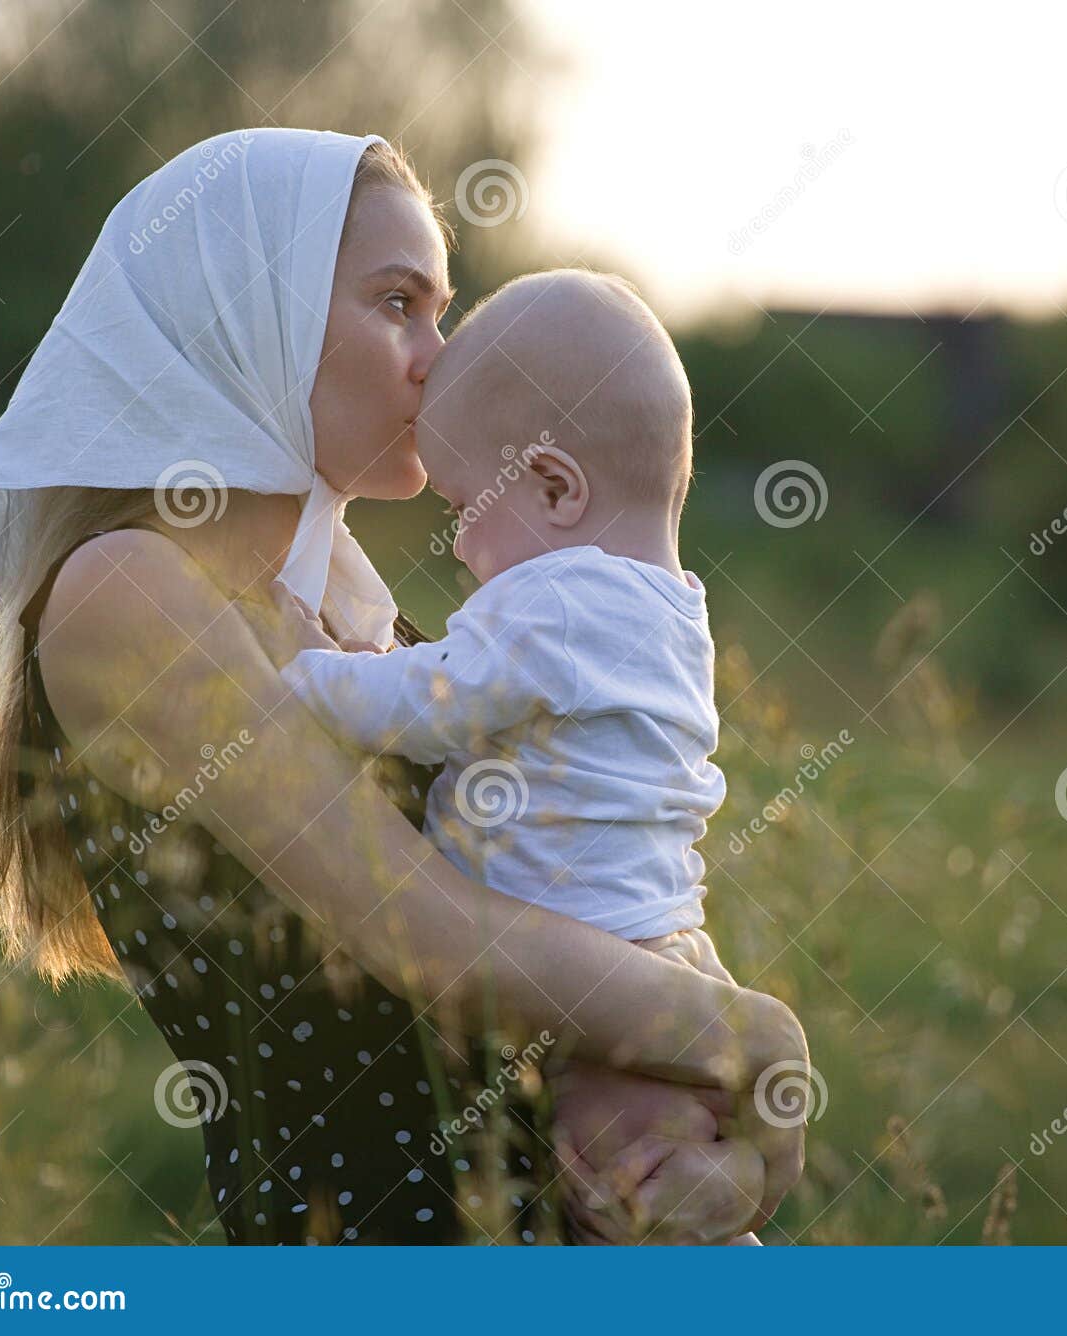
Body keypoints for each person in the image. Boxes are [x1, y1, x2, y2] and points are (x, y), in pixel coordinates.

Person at [0, 128, 807, 1245]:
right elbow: (426, 931)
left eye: (440, 310)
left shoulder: (360, 616)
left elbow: (586, 899)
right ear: (246, 317)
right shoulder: (129, 589)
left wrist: (718, 1156)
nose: (436, 355)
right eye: (397, 303)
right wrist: (758, 1037)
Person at [273, 267, 761, 1239]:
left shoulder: (561, 597)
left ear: (552, 485)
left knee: (620, 1195)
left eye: (465, 507)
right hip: (660, 939)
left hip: (591, 962)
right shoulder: (672, 608)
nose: (459, 547)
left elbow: (437, 700)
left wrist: (309, 671)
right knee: (675, 1198)